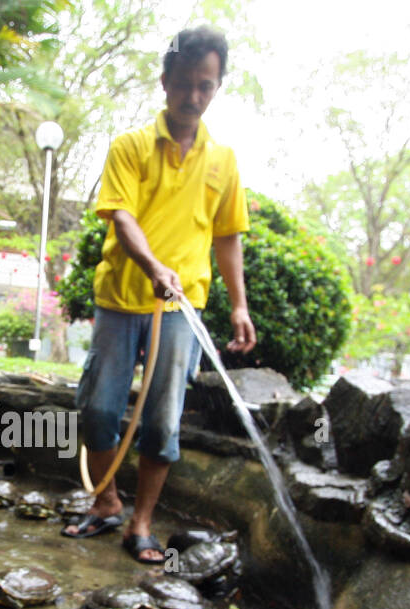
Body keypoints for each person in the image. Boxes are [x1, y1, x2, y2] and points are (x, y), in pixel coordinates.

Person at [62, 24, 257, 563]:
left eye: (206, 85)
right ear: (165, 80)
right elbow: (121, 215)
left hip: (182, 305)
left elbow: (227, 236)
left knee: (163, 418)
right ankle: (105, 502)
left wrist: (239, 305)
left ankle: (140, 523)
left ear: (216, 87)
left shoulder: (224, 162)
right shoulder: (128, 147)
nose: (194, 97)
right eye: (185, 83)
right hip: (121, 296)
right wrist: (152, 265)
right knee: (98, 409)